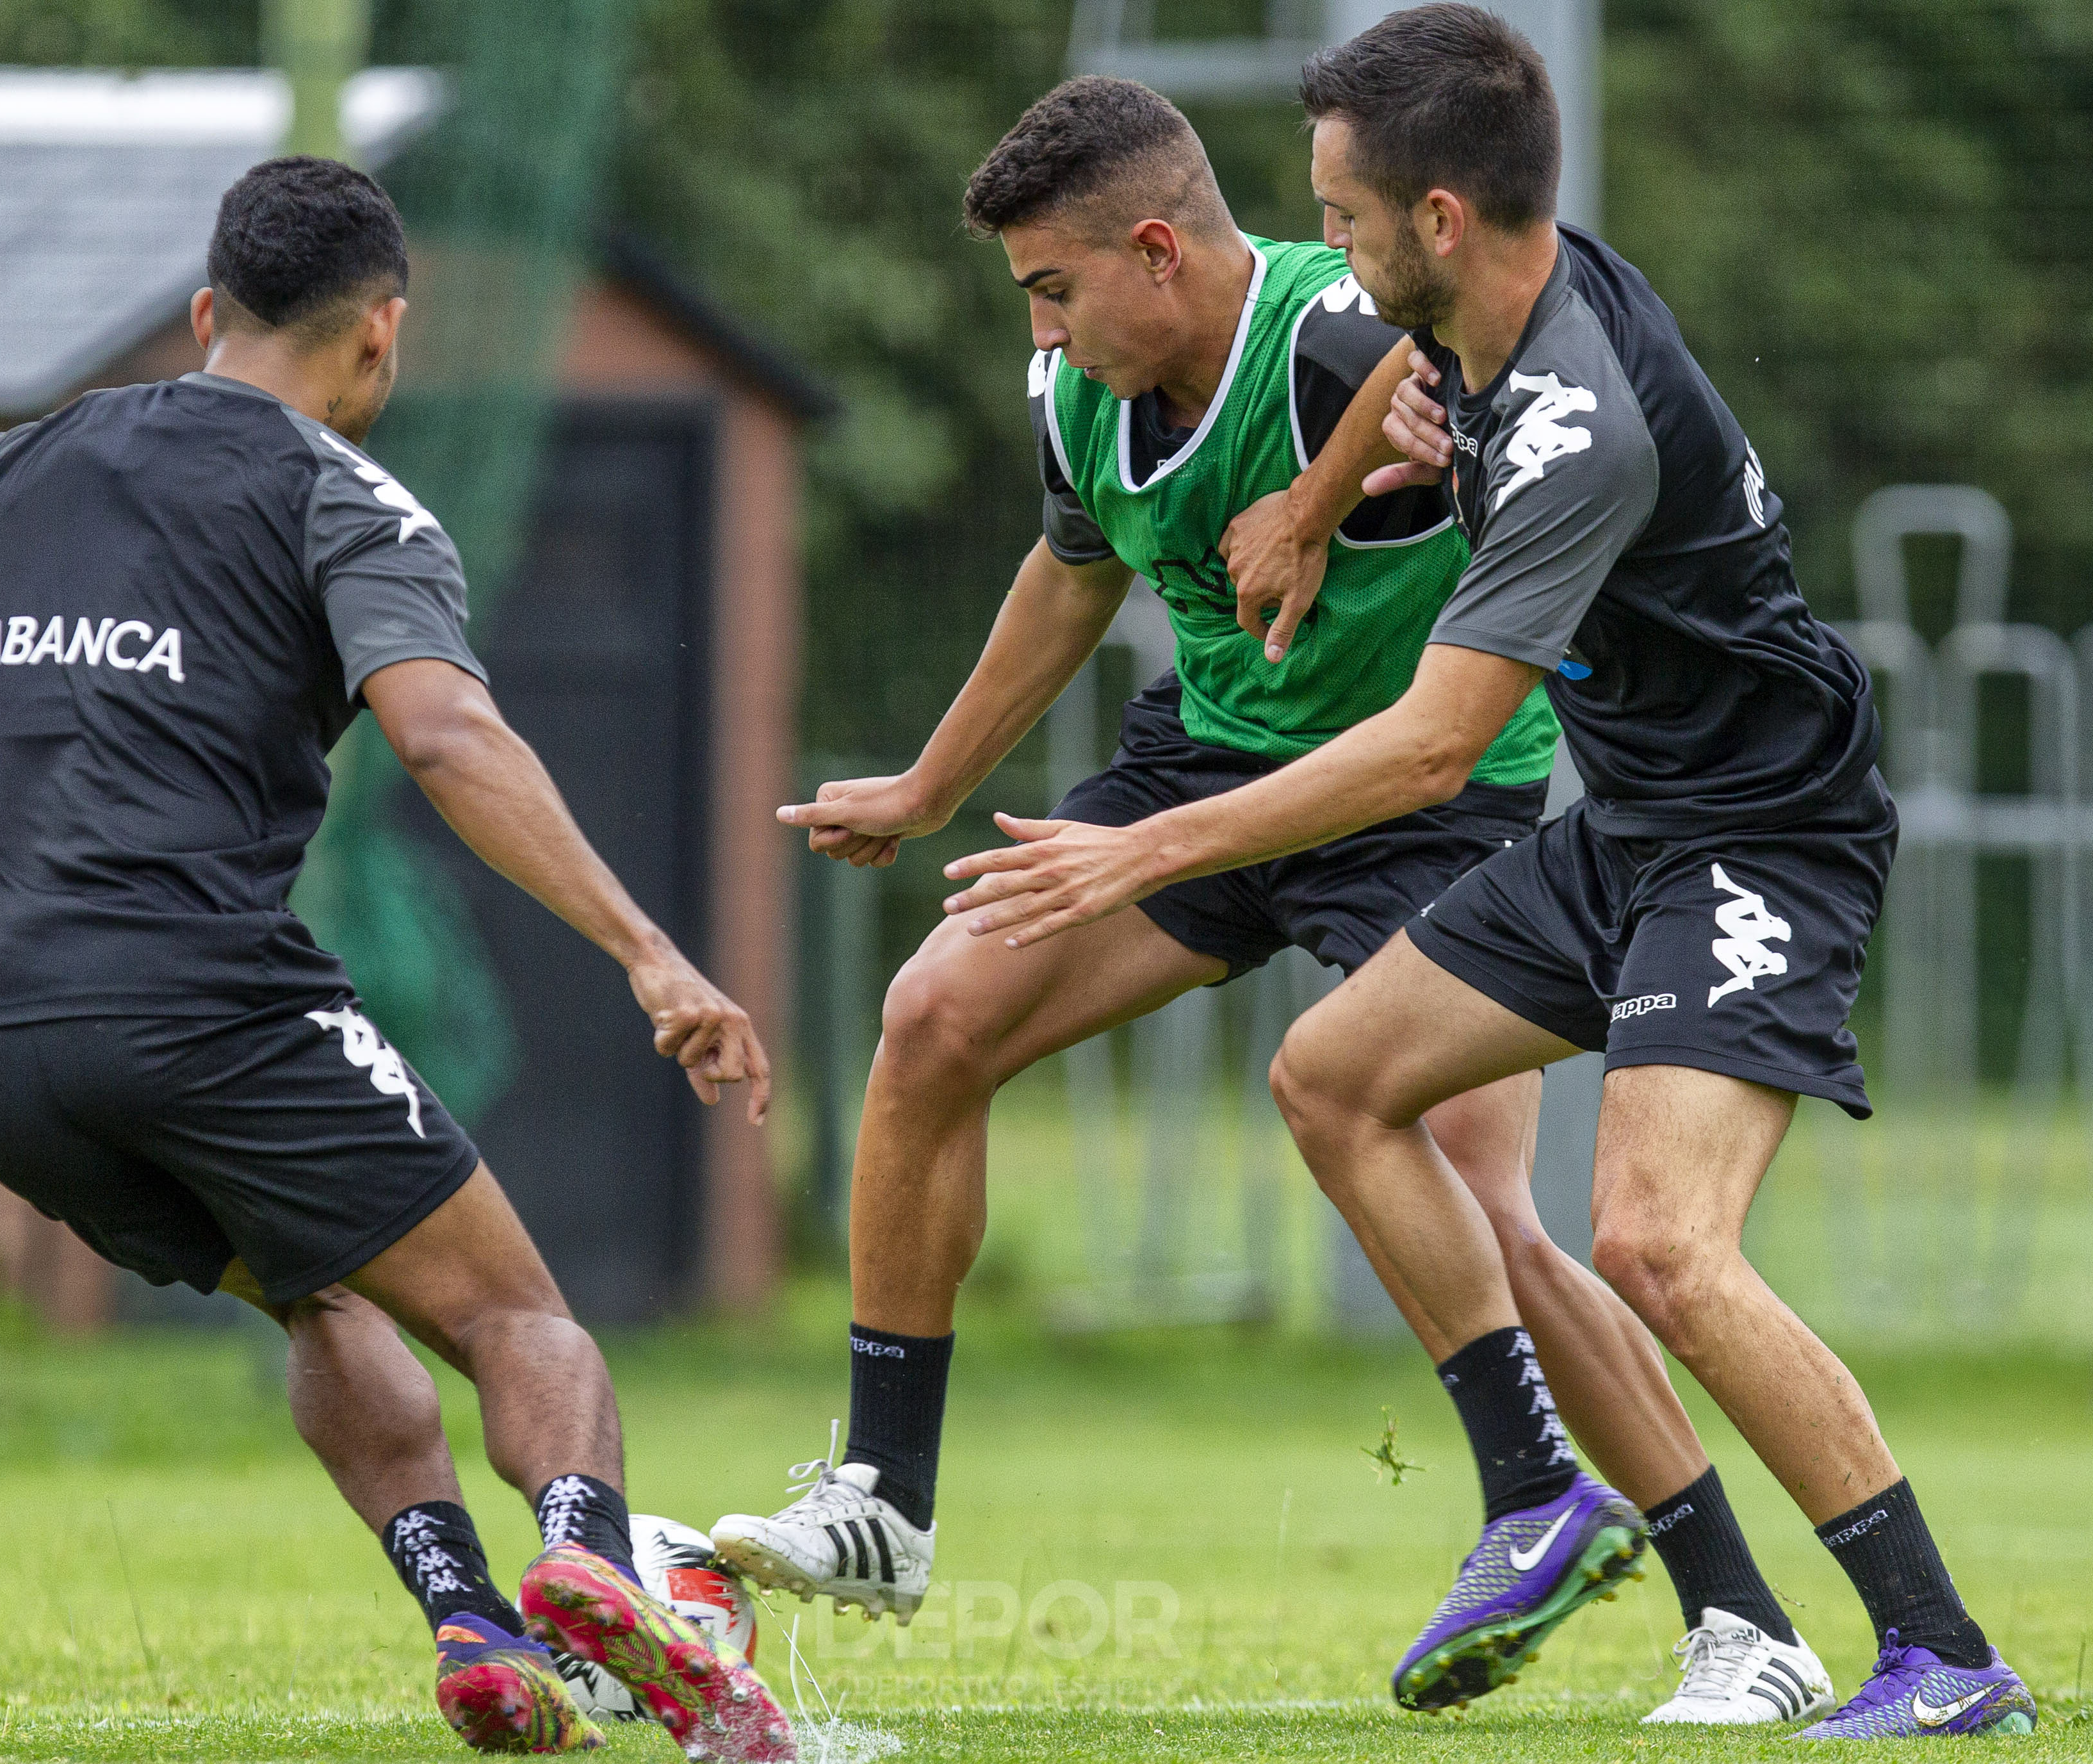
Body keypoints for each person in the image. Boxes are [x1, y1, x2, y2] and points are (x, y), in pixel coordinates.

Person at [934, 9, 2037, 1739]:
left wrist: (1138, 849)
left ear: (1439, 217)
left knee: (1661, 1245)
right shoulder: (1488, 304)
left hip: (1763, 836)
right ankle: (1539, 1492)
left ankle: (1942, 1651)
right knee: (1334, 1079)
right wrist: (1308, 500)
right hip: (1636, 826)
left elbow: (1435, 750)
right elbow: (1402, 356)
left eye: (1348, 217)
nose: (1327, 250)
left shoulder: (1578, 429)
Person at [706, 76, 1821, 1727]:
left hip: (1422, 796)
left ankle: (1735, 1613)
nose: (1043, 322)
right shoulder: (1077, 390)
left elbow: (1439, 370)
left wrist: (1320, 496)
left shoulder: (1325, 336)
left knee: (1482, 1206)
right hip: (1206, 773)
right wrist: (932, 787)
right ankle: (883, 1499)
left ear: (1158, 249)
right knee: (934, 1014)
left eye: (1055, 285)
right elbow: (1069, 574)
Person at [0, 156, 796, 1761]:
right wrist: (649, 954)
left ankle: (472, 1630)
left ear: (202, 314)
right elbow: (447, 735)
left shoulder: (31, 458)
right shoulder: (346, 496)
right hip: (200, 1002)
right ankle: (588, 1558)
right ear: (382, 338)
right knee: (523, 1323)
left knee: (322, 1295)